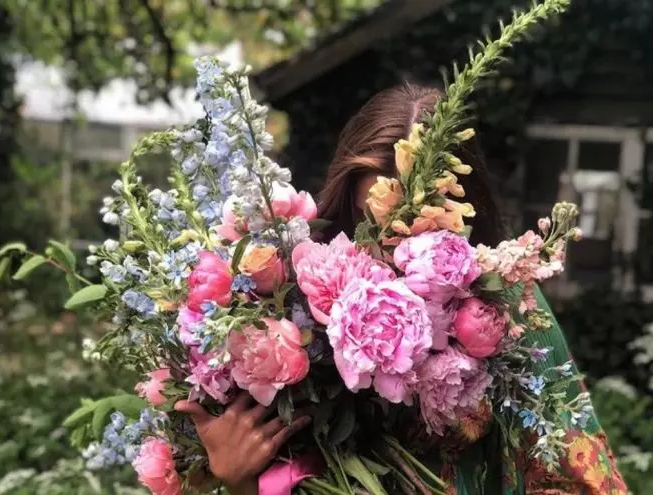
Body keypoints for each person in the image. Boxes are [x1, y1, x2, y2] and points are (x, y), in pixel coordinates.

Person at [178, 84, 628, 494]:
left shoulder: (505, 307)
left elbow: (580, 475)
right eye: (374, 225)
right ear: (349, 202)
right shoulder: (288, 309)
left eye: (419, 227)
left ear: (462, 209)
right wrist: (237, 479)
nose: (395, 249)